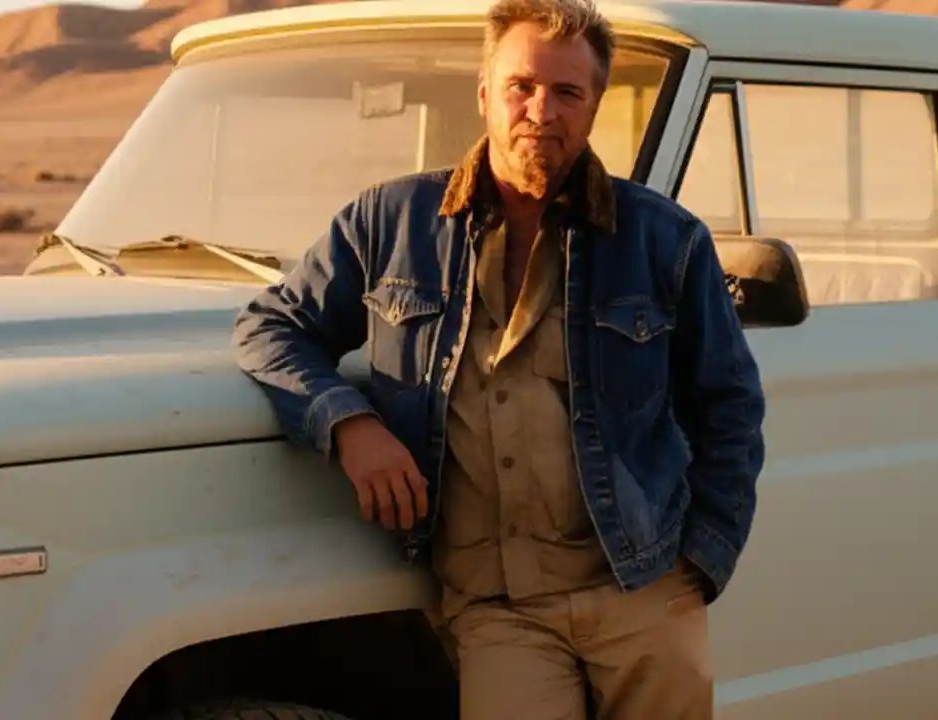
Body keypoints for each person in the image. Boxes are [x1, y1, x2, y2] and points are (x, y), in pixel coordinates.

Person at [232, 0, 765, 716]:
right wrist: (347, 426)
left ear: (593, 105)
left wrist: (700, 561)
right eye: (522, 86)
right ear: (485, 93)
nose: (541, 110)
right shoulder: (393, 223)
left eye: (567, 92)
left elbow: (729, 405)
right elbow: (272, 328)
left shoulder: (664, 240)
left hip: (640, 587)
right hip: (497, 603)